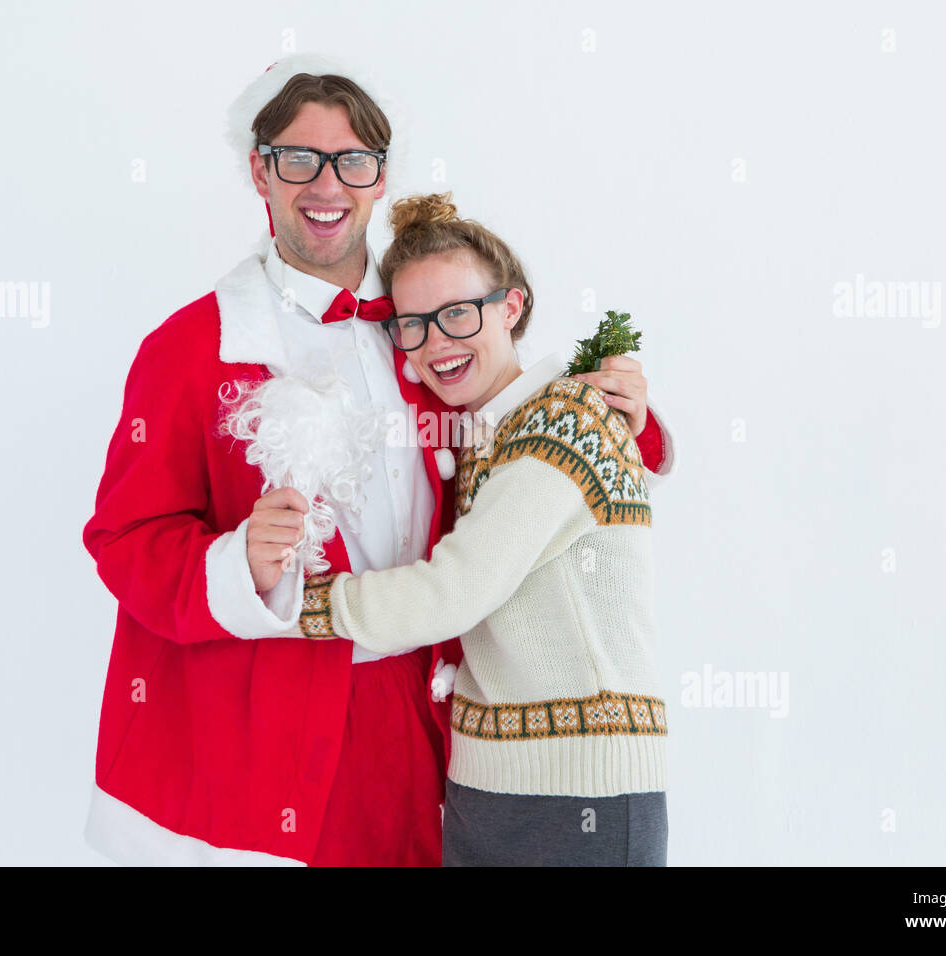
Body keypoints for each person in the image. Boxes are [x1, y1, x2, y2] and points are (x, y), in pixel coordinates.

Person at [81, 53, 672, 867]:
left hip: (427, 731)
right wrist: (235, 565)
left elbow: (517, 423)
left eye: (352, 160)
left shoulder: (426, 335)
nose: (328, 186)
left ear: (380, 177)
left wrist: (627, 417)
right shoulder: (189, 350)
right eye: (300, 159)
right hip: (260, 726)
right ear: (261, 171)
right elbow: (125, 541)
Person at [266, 193, 670, 866]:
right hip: (488, 785)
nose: (436, 343)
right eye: (413, 324)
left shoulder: (562, 419)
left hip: (581, 794)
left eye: (457, 313)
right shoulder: (484, 439)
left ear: (511, 308)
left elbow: (453, 590)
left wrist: (296, 601)